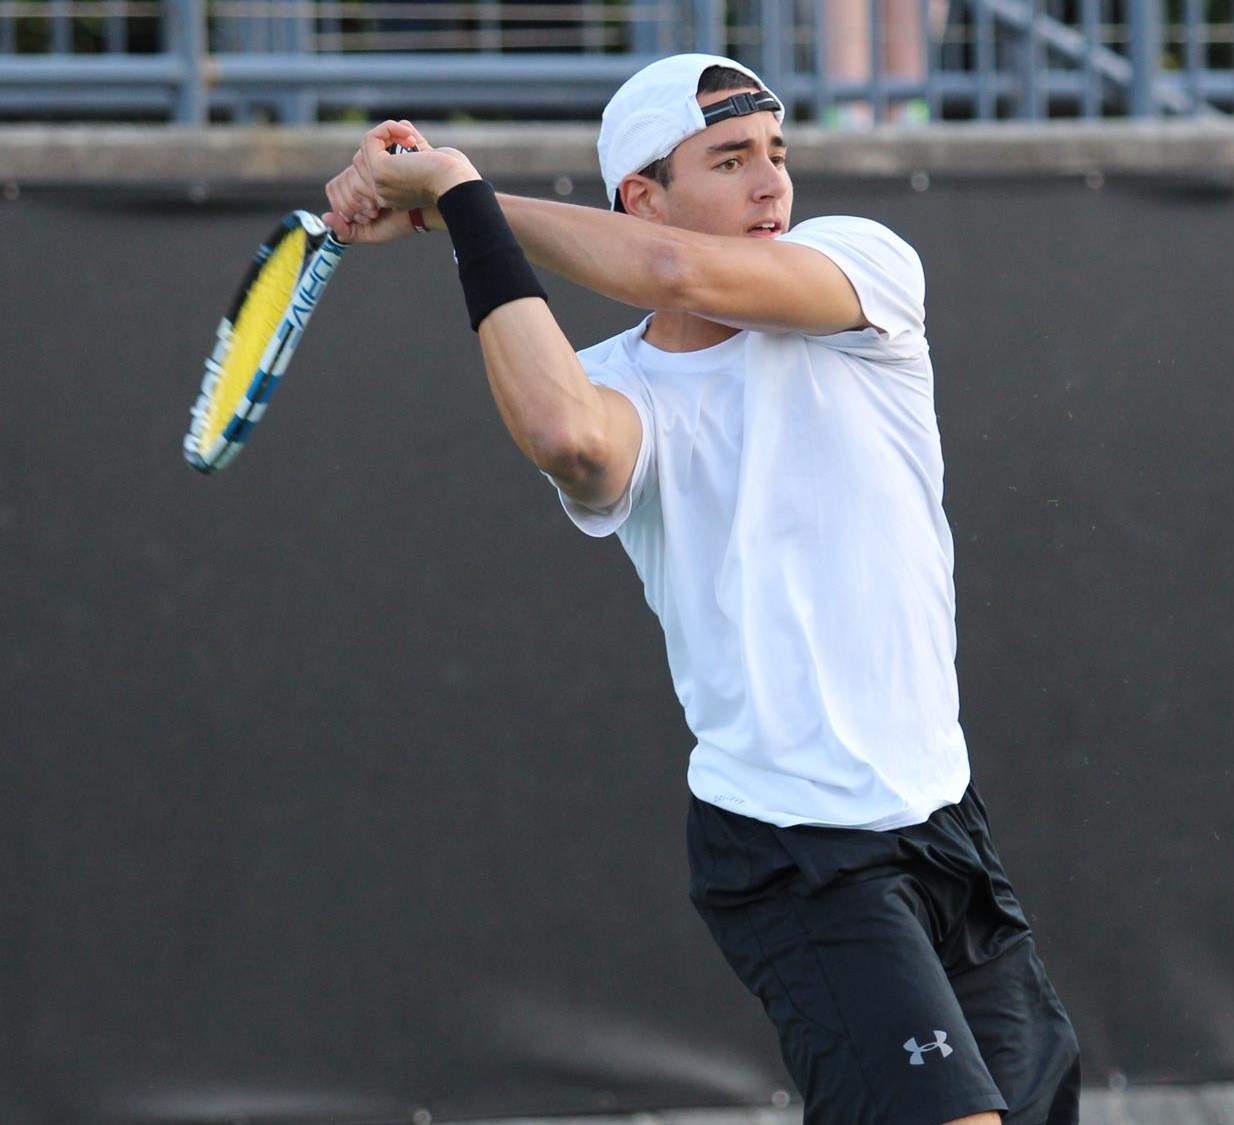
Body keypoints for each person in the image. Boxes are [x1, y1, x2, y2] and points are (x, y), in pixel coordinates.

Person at [320, 52, 1080, 1125]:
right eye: (729, 160)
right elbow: (562, 434)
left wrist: (459, 195)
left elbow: (678, 274)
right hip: (795, 855)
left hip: (943, 828)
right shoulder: (620, 387)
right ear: (643, 196)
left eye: (775, 153)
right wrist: (460, 205)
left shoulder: (862, 266)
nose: (771, 183)